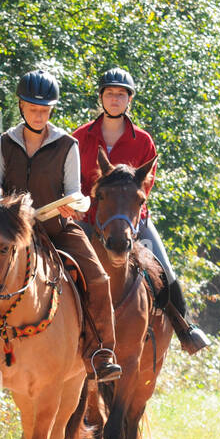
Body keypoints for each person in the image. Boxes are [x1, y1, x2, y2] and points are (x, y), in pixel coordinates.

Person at [0, 67, 122, 381]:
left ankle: (100, 353)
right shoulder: (5, 141)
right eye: (32, 109)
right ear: (20, 107)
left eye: (44, 110)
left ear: (51, 110)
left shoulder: (67, 144)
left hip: (54, 226)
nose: (39, 116)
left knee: (98, 277)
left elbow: (74, 190)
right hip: (9, 230)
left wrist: (72, 204)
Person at [73, 68, 209, 354]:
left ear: (129, 100)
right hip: (86, 219)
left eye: (121, 94)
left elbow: (143, 190)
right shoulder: (80, 137)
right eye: (109, 93)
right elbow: (71, 180)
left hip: (131, 222)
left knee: (166, 270)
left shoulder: (143, 141)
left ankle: (185, 327)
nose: (115, 99)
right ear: (101, 97)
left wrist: (126, 221)